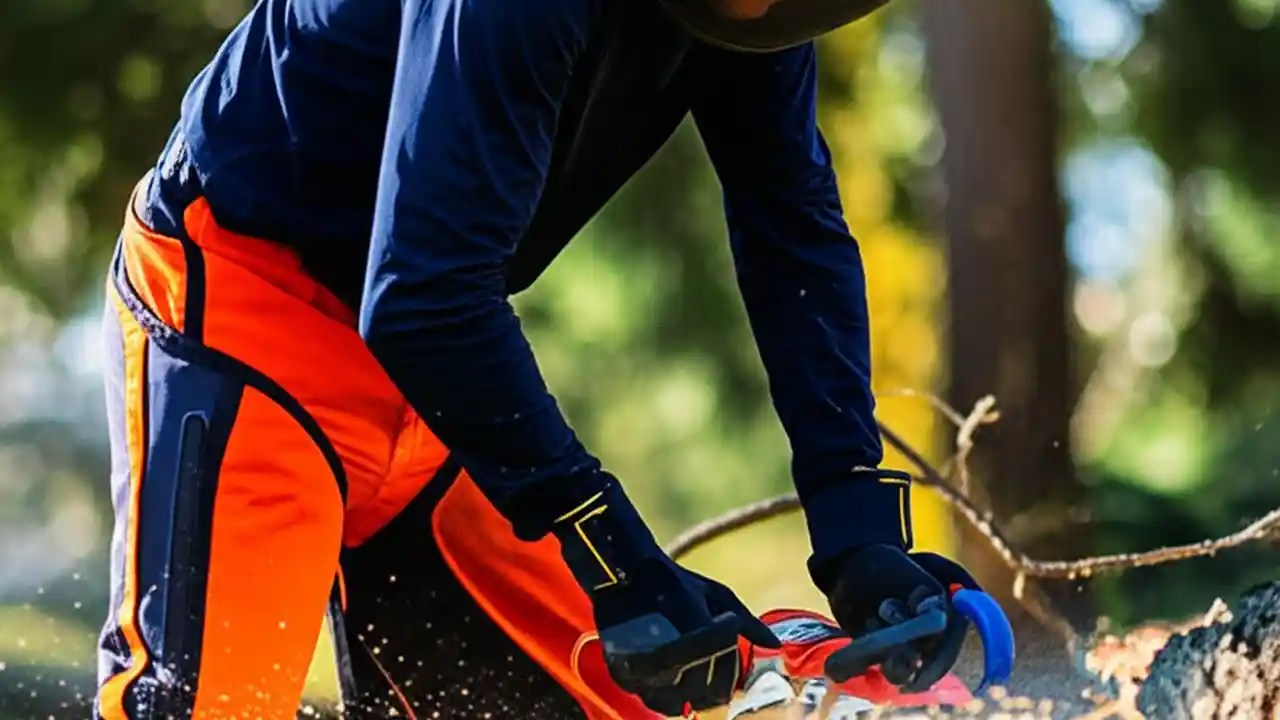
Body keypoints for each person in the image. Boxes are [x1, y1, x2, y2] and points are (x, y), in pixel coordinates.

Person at [94, 0, 993, 717]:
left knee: (620, 698)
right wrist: (623, 563)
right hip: (248, 313)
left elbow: (790, 224)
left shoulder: (756, 17)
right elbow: (422, 296)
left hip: (432, 388)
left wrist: (859, 534)